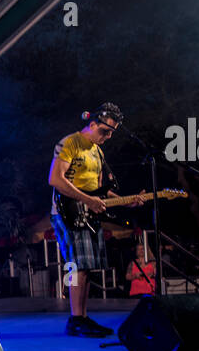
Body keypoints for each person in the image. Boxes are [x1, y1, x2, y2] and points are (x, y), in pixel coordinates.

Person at [47, 102, 139, 336]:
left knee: (87, 266)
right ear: (92, 123)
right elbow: (56, 180)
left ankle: (82, 317)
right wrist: (87, 200)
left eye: (111, 133)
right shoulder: (71, 143)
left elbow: (100, 190)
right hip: (67, 211)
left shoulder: (98, 152)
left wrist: (124, 200)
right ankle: (75, 319)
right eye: (104, 131)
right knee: (78, 264)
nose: (107, 136)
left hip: (88, 211)